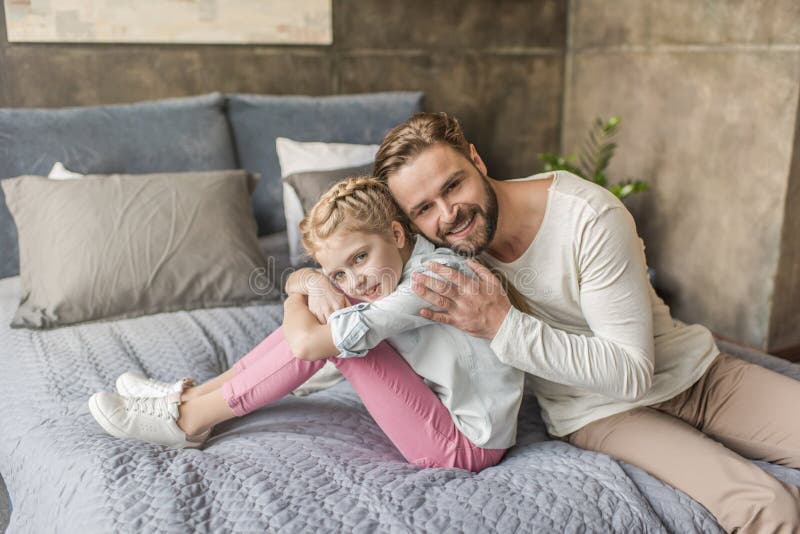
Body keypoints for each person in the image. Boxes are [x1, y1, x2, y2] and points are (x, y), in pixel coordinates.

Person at [329, 111, 799, 533]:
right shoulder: (437, 253)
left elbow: (632, 372)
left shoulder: (588, 217)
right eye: (424, 209)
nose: (449, 215)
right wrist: (306, 281)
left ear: (477, 160)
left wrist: (501, 325)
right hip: (598, 412)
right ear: (409, 226)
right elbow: (343, 262)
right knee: (768, 505)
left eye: (453, 185)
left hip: (694, 374)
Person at [87, 177, 526, 473]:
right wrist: (313, 282)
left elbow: (308, 346)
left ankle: (189, 420)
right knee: (337, 312)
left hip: (465, 447)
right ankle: (192, 398)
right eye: (339, 272)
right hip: (447, 417)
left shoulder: (430, 282)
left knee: (337, 333)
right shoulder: (393, 270)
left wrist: (315, 292)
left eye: (360, 257)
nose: (356, 280)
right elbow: (303, 285)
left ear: (396, 235)